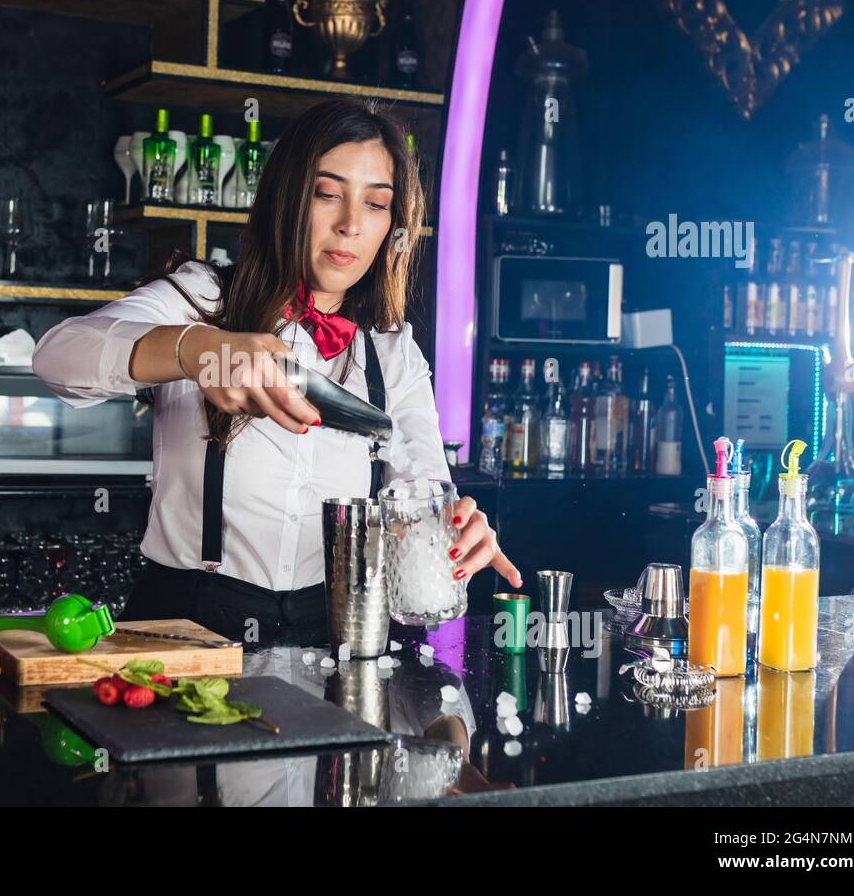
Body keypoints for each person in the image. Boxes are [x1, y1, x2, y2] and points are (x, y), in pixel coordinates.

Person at [32, 97, 520, 646]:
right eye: (327, 193)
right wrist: (196, 349)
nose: (351, 225)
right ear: (286, 198)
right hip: (184, 623)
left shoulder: (393, 352)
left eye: (376, 204)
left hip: (335, 631)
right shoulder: (202, 297)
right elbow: (58, 357)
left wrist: (450, 535)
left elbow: (421, 492)